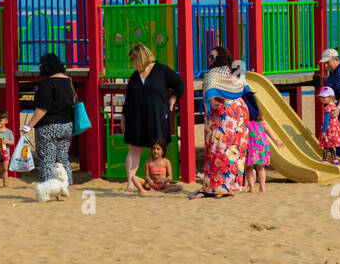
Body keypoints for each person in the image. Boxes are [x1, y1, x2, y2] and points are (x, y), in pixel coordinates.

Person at [121, 42, 183, 194]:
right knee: (134, 149)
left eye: (132, 59)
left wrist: (173, 99)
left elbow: (180, 84)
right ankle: (130, 183)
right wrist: (123, 117)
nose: (131, 62)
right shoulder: (134, 77)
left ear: (140, 57)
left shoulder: (161, 70)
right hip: (136, 119)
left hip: (157, 117)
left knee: (159, 150)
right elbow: (128, 100)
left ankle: (161, 183)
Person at [193, 46, 250, 198]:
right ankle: (230, 186)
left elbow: (211, 90)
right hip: (240, 112)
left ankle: (214, 187)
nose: (210, 59)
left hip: (223, 113)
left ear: (220, 58)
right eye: (210, 56)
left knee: (217, 149)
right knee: (234, 151)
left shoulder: (214, 72)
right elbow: (247, 88)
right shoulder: (235, 70)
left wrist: (211, 102)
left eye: (212, 56)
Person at [25, 52, 76, 189]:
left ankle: (47, 189)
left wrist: (29, 125)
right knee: (62, 158)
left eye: (41, 64)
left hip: (49, 127)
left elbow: (42, 109)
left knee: (47, 160)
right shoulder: (67, 80)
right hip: (67, 125)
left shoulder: (47, 84)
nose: (39, 66)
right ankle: (66, 186)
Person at [319, 48, 340, 159]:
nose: (326, 65)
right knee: (336, 138)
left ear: (336, 60)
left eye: (327, 62)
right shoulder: (333, 72)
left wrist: (338, 109)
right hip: (336, 106)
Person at [244, 99, 283, 194]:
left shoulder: (245, 121)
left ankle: (252, 189)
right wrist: (276, 140)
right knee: (261, 168)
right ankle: (262, 188)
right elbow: (268, 130)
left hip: (250, 146)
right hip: (262, 146)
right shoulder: (261, 120)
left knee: (249, 168)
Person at [318, 87, 340, 165]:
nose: (323, 99)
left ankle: (325, 159)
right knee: (330, 145)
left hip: (329, 129)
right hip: (335, 127)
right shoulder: (334, 105)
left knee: (326, 145)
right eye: (322, 97)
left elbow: (326, 120)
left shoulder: (327, 107)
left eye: (325, 97)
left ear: (331, 97)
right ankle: (335, 159)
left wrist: (324, 131)